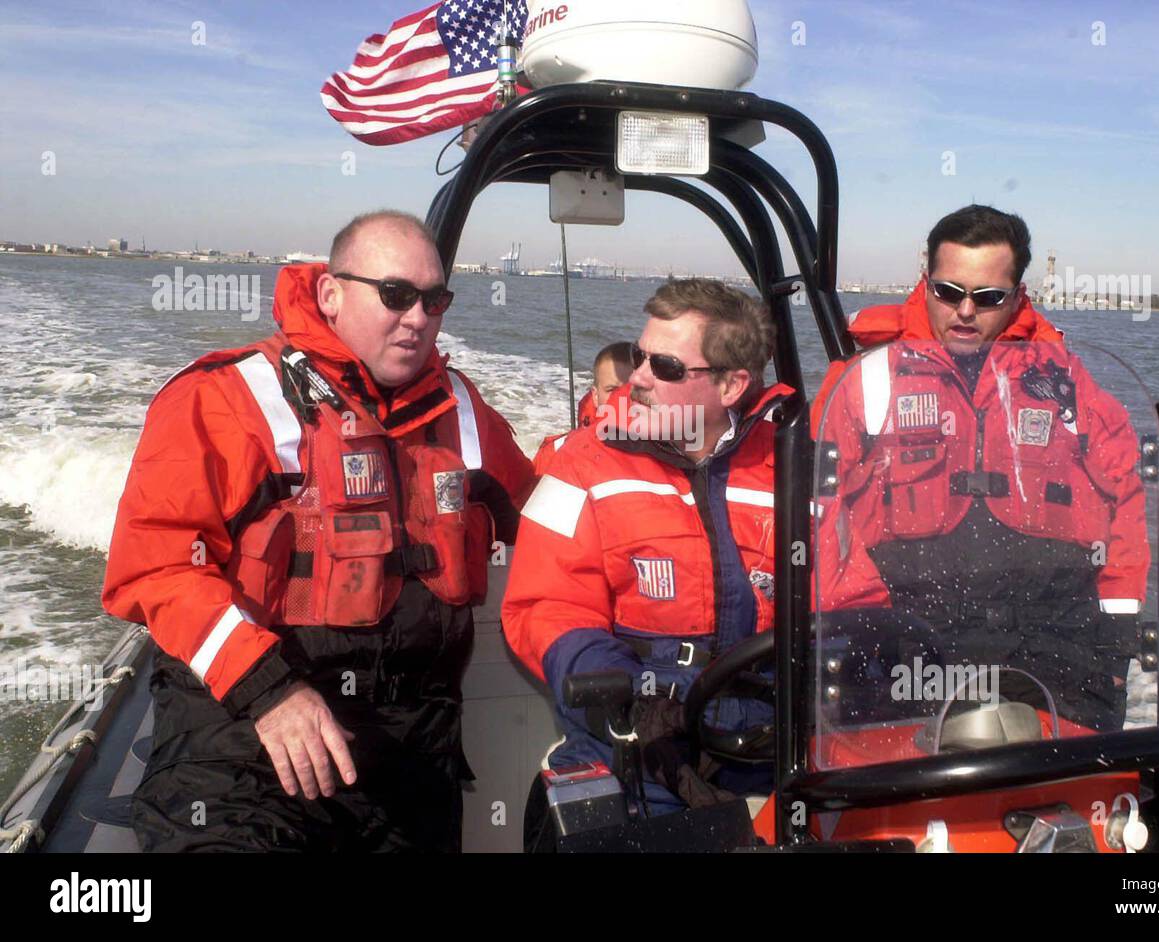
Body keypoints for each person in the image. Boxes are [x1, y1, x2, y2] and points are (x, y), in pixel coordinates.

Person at [103, 210, 535, 852]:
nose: (418, 317)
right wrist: (270, 689)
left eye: (435, 299)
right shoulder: (227, 398)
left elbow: (552, 521)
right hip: (247, 739)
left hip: (412, 750)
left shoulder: (464, 411)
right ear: (331, 294)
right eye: (396, 295)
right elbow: (154, 568)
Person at [813, 205, 1150, 731]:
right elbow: (817, 509)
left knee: (1074, 792)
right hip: (908, 633)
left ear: (1017, 296)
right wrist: (863, 621)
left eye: (988, 298)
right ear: (925, 283)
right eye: (949, 292)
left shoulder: (1064, 380)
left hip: (1053, 636)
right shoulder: (865, 378)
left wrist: (1117, 629)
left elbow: (1126, 495)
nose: (965, 311)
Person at [502, 278, 793, 824]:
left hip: (773, 752)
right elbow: (545, 606)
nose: (637, 378)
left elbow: (853, 596)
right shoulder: (579, 463)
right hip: (631, 752)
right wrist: (628, 695)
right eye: (640, 356)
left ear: (732, 385)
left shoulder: (796, 468)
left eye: (666, 367)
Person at [532, 341, 635, 476]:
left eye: (634, 389)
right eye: (612, 390)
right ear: (595, 396)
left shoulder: (666, 452)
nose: (622, 397)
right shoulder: (555, 453)